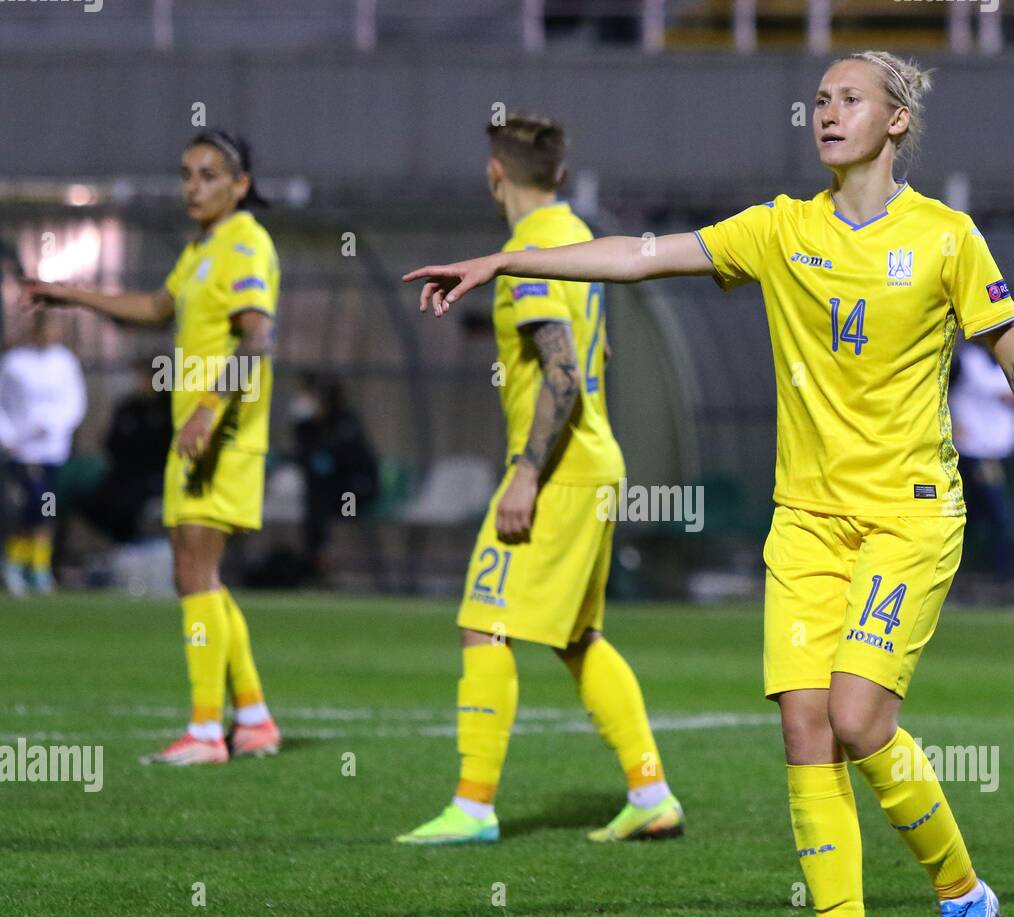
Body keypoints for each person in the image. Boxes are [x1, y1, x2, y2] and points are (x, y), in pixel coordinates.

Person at [403, 53, 1014, 917]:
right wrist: (502, 258)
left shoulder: (945, 238)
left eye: (850, 99)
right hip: (805, 525)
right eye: (818, 99)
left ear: (896, 122)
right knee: (806, 730)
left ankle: (963, 893)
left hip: (909, 517)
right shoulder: (779, 229)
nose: (826, 112)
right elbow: (642, 256)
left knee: (858, 719)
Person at [395, 113, 684, 847]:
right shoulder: (581, 234)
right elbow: (600, 351)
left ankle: (473, 804)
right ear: (557, 174)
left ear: (495, 172)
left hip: (558, 467)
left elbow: (562, 369)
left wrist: (526, 474)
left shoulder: (526, 250)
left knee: (481, 619)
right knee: (577, 635)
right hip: (595, 460)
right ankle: (650, 792)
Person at [24, 128, 283, 766]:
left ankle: (204, 730)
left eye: (209, 175)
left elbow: (258, 340)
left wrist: (205, 412)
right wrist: (71, 294)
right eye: (187, 174)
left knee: (192, 574)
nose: (193, 187)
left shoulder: (246, 243)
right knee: (201, 576)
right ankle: (251, 718)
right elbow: (152, 306)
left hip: (221, 434)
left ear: (241, 185)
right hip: (198, 433)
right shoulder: (204, 248)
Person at [0, 311, 86, 596]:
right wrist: (8, 435)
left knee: (46, 508)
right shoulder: (14, 363)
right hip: (23, 450)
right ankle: (15, 564)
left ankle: (38, 566)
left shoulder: (65, 362)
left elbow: (75, 401)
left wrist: (56, 426)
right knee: (31, 506)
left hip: (53, 451)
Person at [290, 373, 379, 581]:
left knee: (337, 509)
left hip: (355, 493)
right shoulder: (307, 427)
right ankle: (317, 564)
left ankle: (331, 563)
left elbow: (349, 461)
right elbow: (304, 458)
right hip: (326, 495)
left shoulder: (346, 423)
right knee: (316, 504)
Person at [76, 358, 173, 545]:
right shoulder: (128, 407)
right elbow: (112, 443)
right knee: (93, 498)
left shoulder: (170, 409)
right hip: (124, 475)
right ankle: (126, 543)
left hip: (156, 478)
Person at [950, 338, 1014, 591]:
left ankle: (955, 576)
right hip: (974, 452)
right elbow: (936, 388)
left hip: (997, 453)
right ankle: (1006, 578)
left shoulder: (1010, 359)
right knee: (999, 516)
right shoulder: (965, 359)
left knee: (970, 518)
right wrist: (949, 419)